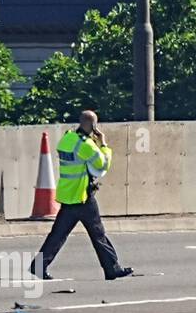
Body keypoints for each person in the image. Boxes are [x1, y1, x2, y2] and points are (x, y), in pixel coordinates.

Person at [30, 110, 132, 281]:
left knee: (58, 235)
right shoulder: (85, 145)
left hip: (68, 195)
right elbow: (103, 165)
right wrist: (104, 145)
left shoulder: (67, 139)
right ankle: (112, 269)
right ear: (93, 125)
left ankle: (38, 266)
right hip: (83, 196)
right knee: (98, 234)